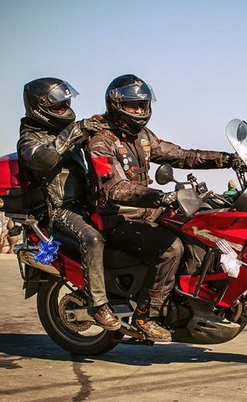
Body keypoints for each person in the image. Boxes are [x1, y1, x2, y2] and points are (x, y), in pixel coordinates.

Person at [85, 74, 235, 342]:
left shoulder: (141, 136)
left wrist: (227, 160)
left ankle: (189, 302)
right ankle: (146, 316)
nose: (139, 111)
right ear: (117, 105)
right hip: (116, 219)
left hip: (146, 213)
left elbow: (181, 155)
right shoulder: (101, 141)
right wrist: (160, 197)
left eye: (143, 105)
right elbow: (114, 188)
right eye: (133, 106)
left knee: (199, 226)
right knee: (170, 248)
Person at [17, 77, 121, 331]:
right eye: (58, 106)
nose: (64, 109)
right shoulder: (29, 140)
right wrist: (75, 131)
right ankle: (98, 306)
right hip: (59, 210)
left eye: (65, 103)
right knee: (92, 239)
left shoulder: (62, 130)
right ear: (39, 108)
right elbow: (45, 159)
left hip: (87, 203)